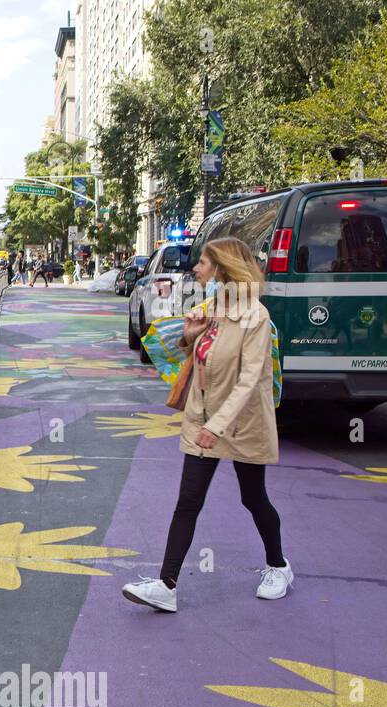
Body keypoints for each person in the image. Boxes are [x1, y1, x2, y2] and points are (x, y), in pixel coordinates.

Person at [123, 237, 290, 613]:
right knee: (188, 501)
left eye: (203, 263)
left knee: (253, 497)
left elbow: (249, 381)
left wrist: (217, 426)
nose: (196, 268)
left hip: (242, 422)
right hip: (203, 418)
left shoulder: (255, 317)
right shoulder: (211, 306)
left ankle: (278, 566)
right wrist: (190, 334)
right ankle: (166, 585)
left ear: (223, 269)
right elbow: (191, 352)